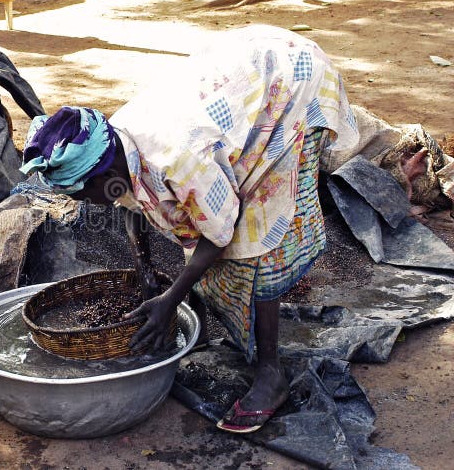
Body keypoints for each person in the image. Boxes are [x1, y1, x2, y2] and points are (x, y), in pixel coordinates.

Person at [19, 25, 359, 433]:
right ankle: (202, 313)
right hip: (244, 83)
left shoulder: (176, 158)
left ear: (101, 170)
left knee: (261, 239)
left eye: (83, 194)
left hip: (291, 87)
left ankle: (271, 374)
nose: (86, 203)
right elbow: (131, 202)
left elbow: (220, 233)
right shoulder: (115, 145)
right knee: (215, 231)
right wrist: (146, 276)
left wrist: (171, 299)